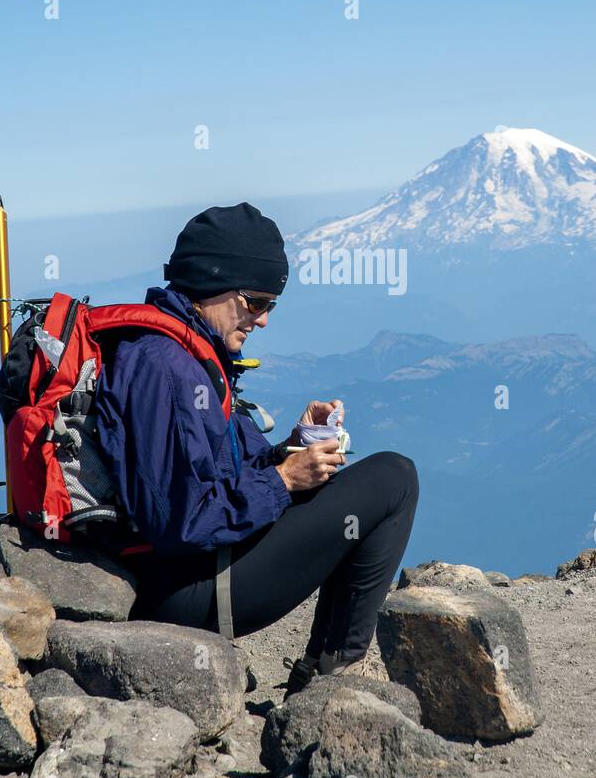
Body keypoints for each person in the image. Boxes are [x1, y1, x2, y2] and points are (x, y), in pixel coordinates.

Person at [93, 201, 419, 697]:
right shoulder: (166, 366)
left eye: (271, 305)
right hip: (188, 593)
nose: (263, 320)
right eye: (257, 302)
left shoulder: (186, 350)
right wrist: (286, 480)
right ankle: (334, 679)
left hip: (194, 572)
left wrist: (291, 448)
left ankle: (326, 671)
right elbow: (181, 523)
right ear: (211, 281)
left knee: (380, 480)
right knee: (394, 478)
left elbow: (221, 472)